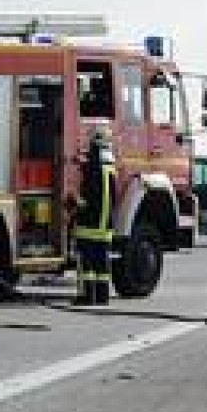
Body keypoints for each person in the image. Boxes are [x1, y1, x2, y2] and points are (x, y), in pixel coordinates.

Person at [71, 127, 118, 306]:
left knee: (86, 264)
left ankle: (86, 296)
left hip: (89, 225)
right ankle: (102, 297)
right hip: (105, 226)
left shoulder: (93, 168)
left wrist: (75, 202)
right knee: (102, 264)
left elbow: (88, 197)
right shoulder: (110, 168)